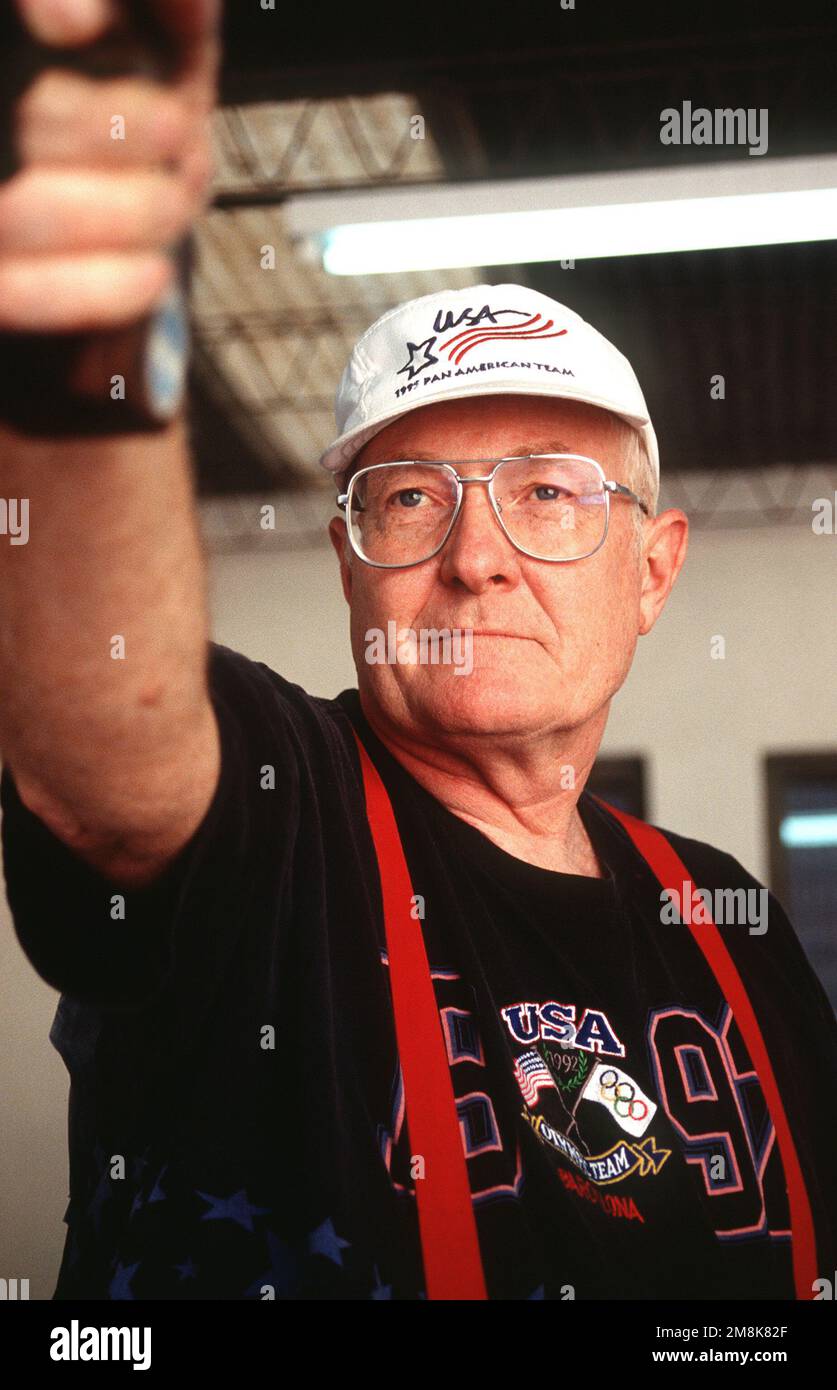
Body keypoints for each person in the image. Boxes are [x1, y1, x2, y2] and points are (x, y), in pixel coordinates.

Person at [1, 0, 835, 1302]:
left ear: (654, 567)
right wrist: (96, 327)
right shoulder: (279, 817)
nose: (477, 554)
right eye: (410, 498)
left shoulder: (727, 919)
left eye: (549, 493)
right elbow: (110, 742)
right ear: (351, 560)